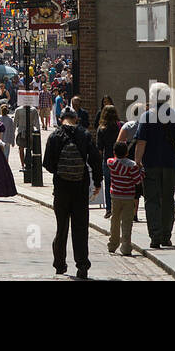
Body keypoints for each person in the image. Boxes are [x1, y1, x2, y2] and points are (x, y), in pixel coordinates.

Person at [42, 108, 104, 279]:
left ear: (60, 119)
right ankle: (82, 266)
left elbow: (47, 163)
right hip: (80, 187)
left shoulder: (54, 136)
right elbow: (95, 159)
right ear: (76, 119)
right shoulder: (84, 135)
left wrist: (58, 171)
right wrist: (98, 182)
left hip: (61, 187)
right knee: (80, 228)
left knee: (61, 227)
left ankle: (60, 264)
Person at [132, 83, 175, 249]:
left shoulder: (146, 116)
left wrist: (137, 162)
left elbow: (141, 143)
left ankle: (155, 236)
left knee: (152, 200)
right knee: (167, 200)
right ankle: (166, 236)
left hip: (150, 164)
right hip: (169, 164)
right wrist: (174, 153)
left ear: (152, 97)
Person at [106, 141, 144, 255]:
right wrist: (142, 170)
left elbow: (112, 160)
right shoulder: (132, 165)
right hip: (128, 196)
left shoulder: (110, 163)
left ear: (114, 152)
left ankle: (113, 244)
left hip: (115, 195)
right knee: (127, 222)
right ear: (127, 153)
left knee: (115, 220)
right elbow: (137, 180)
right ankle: (126, 247)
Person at [95, 104, 121, 217]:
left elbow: (99, 149)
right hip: (120, 158)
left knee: (108, 185)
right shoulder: (120, 126)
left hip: (108, 160)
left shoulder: (101, 129)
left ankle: (109, 208)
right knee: (120, 184)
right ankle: (119, 208)